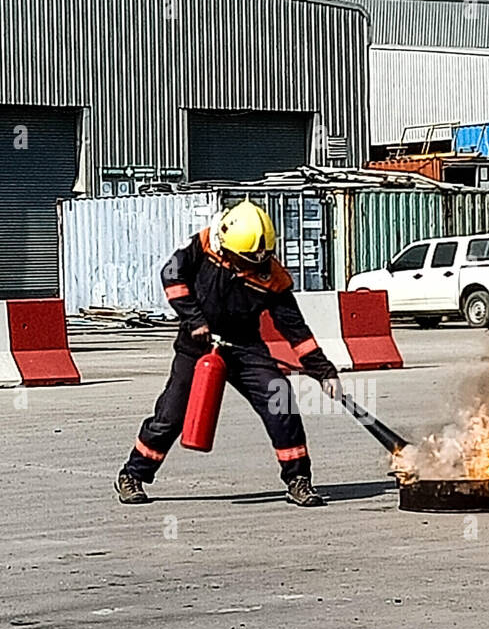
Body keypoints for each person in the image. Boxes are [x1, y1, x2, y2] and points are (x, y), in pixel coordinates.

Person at [115, 200, 341, 507]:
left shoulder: (273, 277)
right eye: (248, 258)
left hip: (244, 346)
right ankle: (133, 474)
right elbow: (171, 277)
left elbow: (296, 331)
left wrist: (324, 372)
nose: (257, 263)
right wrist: (195, 321)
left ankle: (298, 480)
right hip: (197, 346)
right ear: (227, 248)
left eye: (263, 256)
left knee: (280, 401)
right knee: (170, 417)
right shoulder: (203, 245)